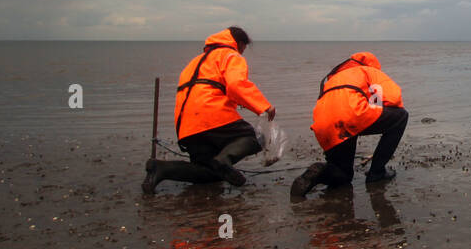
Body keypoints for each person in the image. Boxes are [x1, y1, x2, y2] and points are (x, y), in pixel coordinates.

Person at [143, 26, 275, 193]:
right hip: (211, 116)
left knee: (210, 173)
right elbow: (236, 85)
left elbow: (205, 89)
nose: (242, 52)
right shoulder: (230, 55)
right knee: (256, 137)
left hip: (186, 126)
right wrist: (264, 106)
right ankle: (223, 160)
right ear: (239, 43)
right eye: (244, 47)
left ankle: (161, 169)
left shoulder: (195, 61)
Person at [291, 52, 406, 197]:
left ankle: (319, 172)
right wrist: (379, 108)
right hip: (350, 117)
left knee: (343, 175)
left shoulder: (333, 78)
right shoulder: (369, 71)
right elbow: (394, 98)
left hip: (323, 125)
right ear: (373, 65)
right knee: (401, 117)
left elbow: (338, 104)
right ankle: (377, 173)